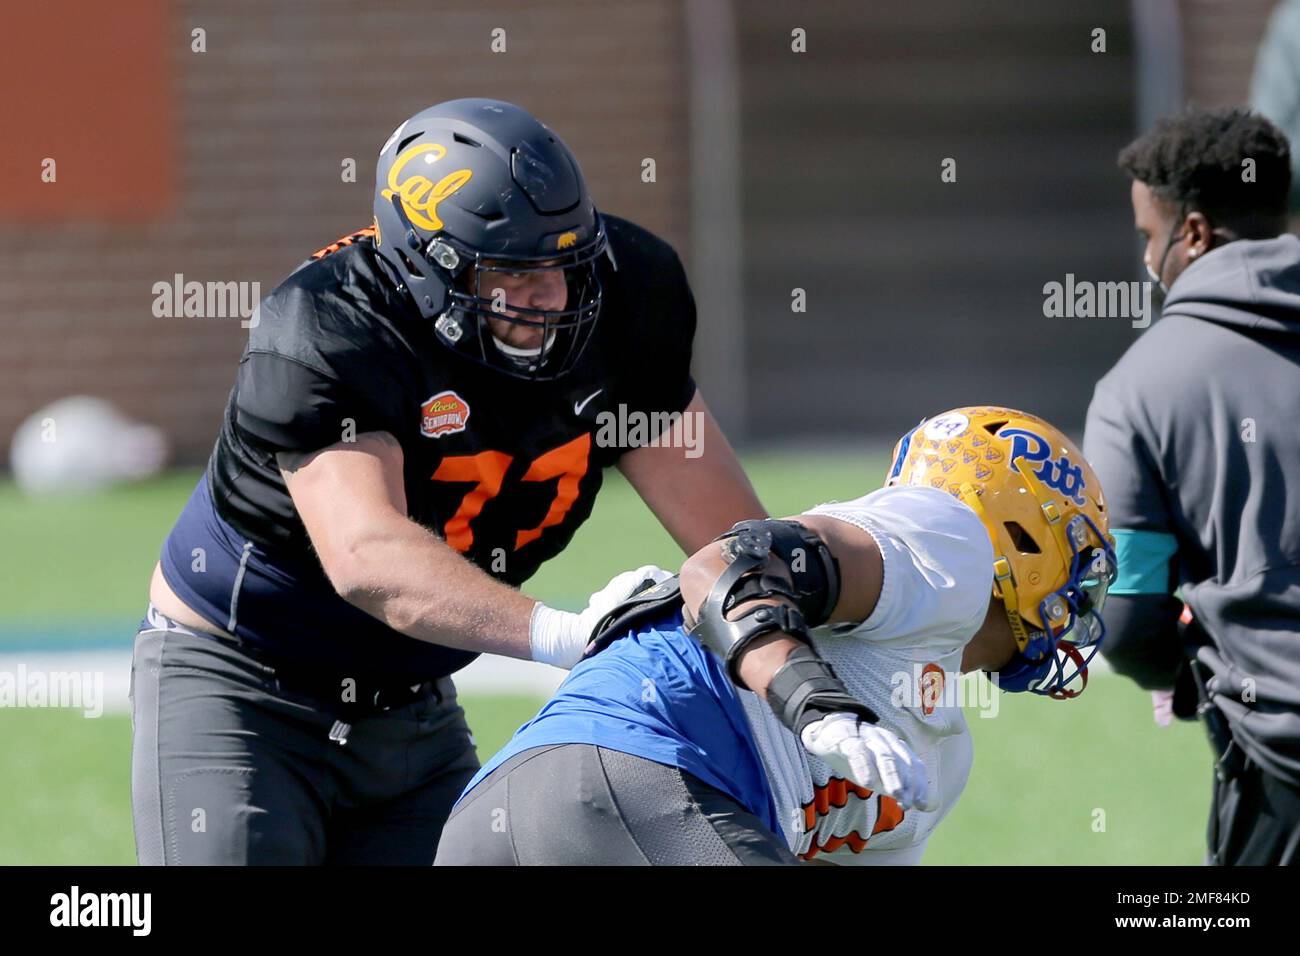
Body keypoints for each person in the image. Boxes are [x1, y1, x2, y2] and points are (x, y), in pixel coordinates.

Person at [130, 98, 766, 865]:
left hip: (412, 706)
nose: (554, 298)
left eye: (565, 263)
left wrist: (810, 681)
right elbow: (371, 560)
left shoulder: (631, 295)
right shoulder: (328, 324)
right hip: (242, 682)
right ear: (426, 268)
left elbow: (730, 538)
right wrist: (567, 634)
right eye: (514, 274)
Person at [434, 406, 1116, 865]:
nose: (1076, 602)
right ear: (1018, 533)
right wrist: (813, 702)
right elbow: (731, 561)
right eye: (1072, 560)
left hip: (495, 820)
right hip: (637, 774)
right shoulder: (950, 547)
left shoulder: (939, 755)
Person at [1085, 107, 1300, 864]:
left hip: (1279, 766)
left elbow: (1130, 621)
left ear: (1196, 234)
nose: (1149, 257)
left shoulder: (1138, 388)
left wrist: (1178, 674)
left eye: (1150, 237)